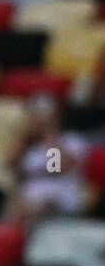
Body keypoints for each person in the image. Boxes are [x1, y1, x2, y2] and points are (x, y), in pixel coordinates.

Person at [8, 91, 90, 224]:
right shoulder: (31, 147)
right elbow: (10, 166)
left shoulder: (72, 141)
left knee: (39, 208)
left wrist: (50, 135)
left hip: (58, 201)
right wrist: (23, 138)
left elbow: (56, 168)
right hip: (29, 201)